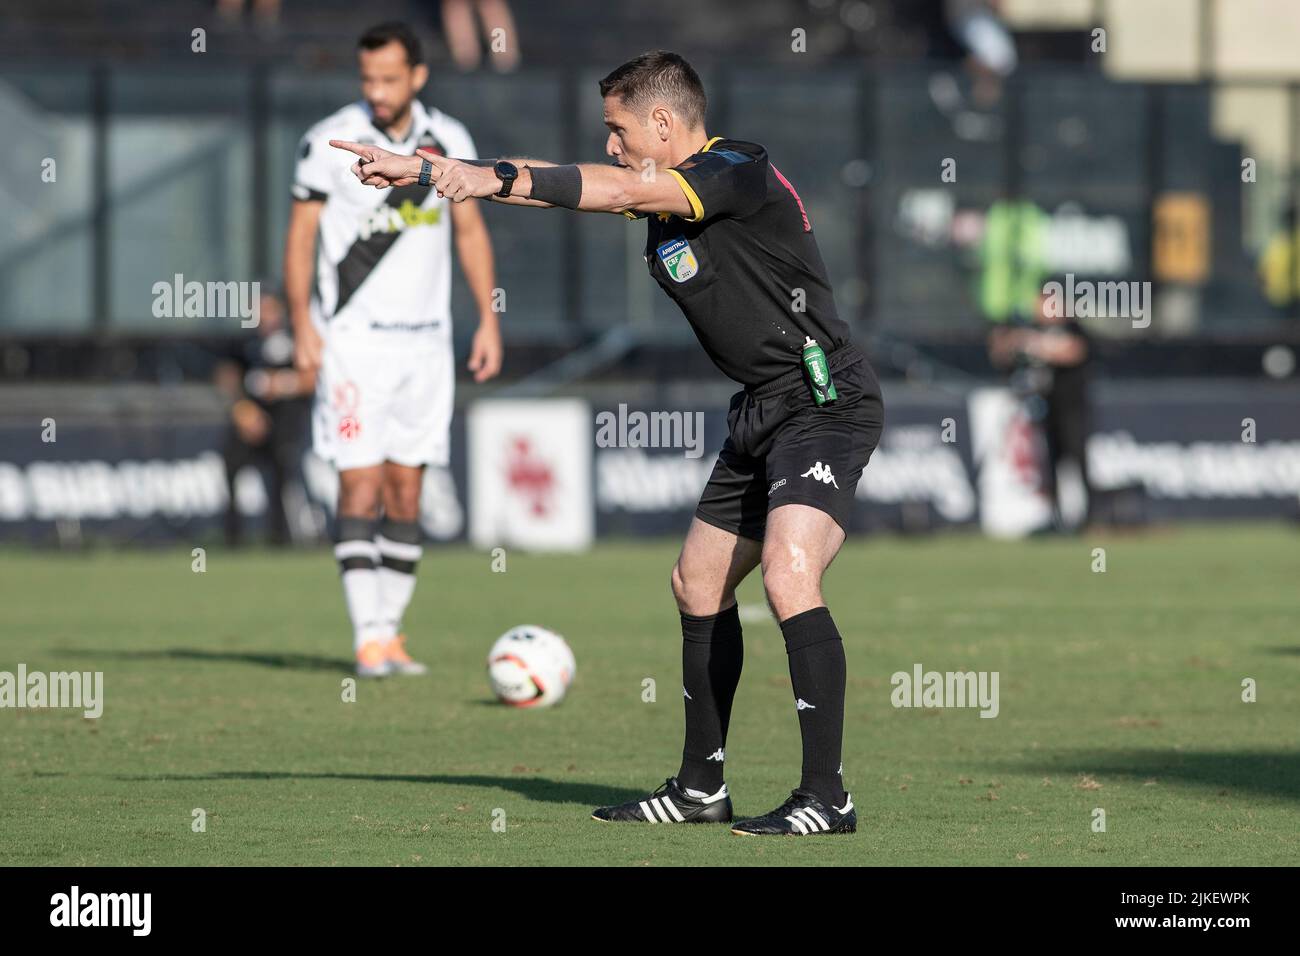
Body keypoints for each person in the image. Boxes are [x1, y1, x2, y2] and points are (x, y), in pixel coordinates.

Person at [332, 51, 885, 836]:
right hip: (762, 408)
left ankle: (828, 797)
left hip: (824, 399)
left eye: (620, 129)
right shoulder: (659, 194)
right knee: (698, 583)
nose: (614, 144)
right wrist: (434, 170)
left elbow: (616, 186)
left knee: (790, 577)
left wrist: (479, 181)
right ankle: (701, 789)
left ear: (664, 123)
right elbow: (570, 178)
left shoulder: (736, 168)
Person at [285, 21, 503, 678]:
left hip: (426, 347)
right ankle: (367, 639)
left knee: (407, 491)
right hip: (354, 343)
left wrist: (488, 320)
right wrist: (301, 322)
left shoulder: (451, 141)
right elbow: (300, 238)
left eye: (388, 78)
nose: (377, 92)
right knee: (359, 483)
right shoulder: (327, 143)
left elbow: (469, 231)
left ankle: (391, 633)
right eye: (367, 79)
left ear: (418, 75)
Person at [215, 288, 314, 547]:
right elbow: (227, 375)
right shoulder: (246, 342)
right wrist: (243, 411)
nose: (261, 315)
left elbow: (312, 379)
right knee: (230, 462)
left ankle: (280, 537)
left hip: (287, 423)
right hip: (252, 419)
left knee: (283, 468)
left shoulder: (297, 339)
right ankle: (232, 539)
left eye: (267, 309)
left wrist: (281, 385)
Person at [988, 290, 1092, 530]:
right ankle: (1055, 518)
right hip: (1047, 409)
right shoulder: (1030, 328)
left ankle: (1088, 517)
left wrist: (1036, 345)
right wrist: (1012, 340)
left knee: (1077, 460)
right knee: (1050, 464)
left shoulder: (1071, 326)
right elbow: (1000, 352)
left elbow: (1073, 351)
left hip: (1072, 409)